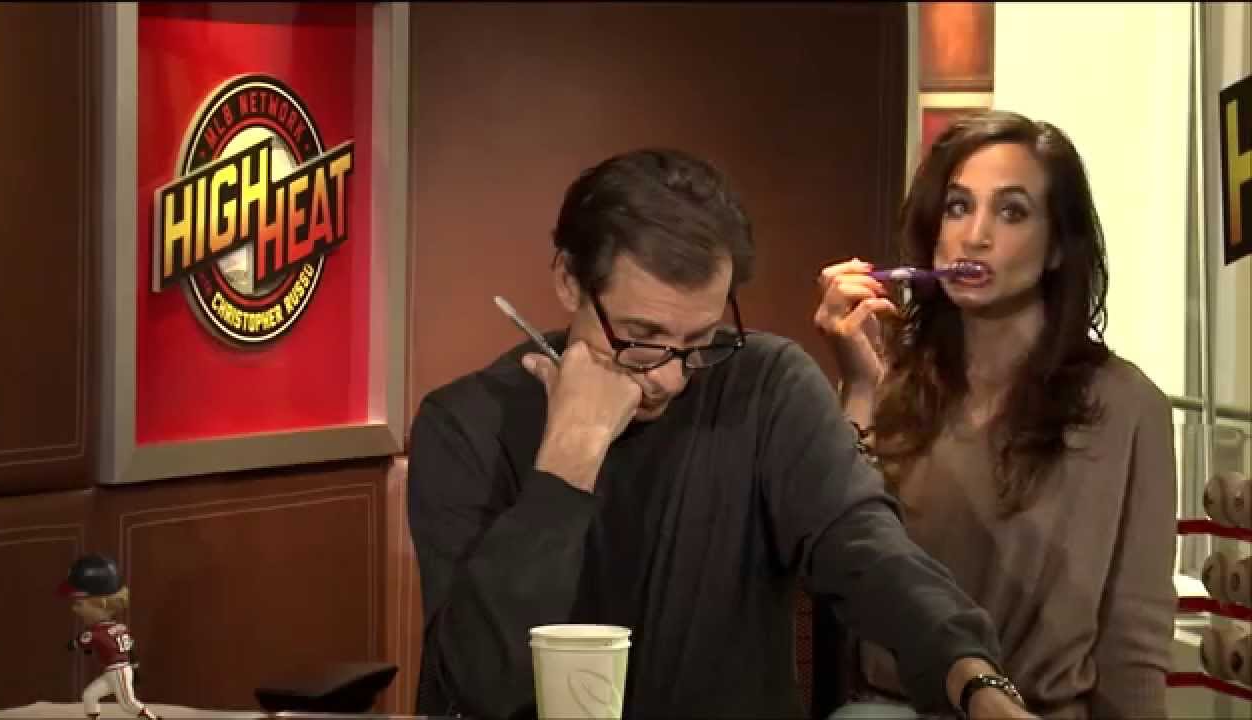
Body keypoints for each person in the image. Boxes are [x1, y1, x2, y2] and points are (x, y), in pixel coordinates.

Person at [407, 148, 1037, 719]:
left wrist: (975, 680)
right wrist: (568, 459)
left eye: (700, 341)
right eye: (642, 337)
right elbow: (476, 683)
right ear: (570, 280)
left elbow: (866, 550)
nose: (671, 377)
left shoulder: (765, 384)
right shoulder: (465, 426)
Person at [814, 111, 1177, 719]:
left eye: (1011, 212)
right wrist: (857, 389)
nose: (974, 235)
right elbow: (840, 560)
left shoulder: (1127, 406)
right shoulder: (888, 378)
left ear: (1058, 245)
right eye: (958, 207)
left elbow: (1134, 640)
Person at [59, 553, 159, 720]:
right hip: (116, 671)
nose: (74, 609)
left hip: (118, 670)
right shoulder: (120, 628)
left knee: (128, 704)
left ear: (102, 603)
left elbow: (80, 642)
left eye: (79, 603)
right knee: (89, 695)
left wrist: (74, 645)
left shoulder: (95, 632)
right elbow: (130, 650)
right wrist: (135, 668)